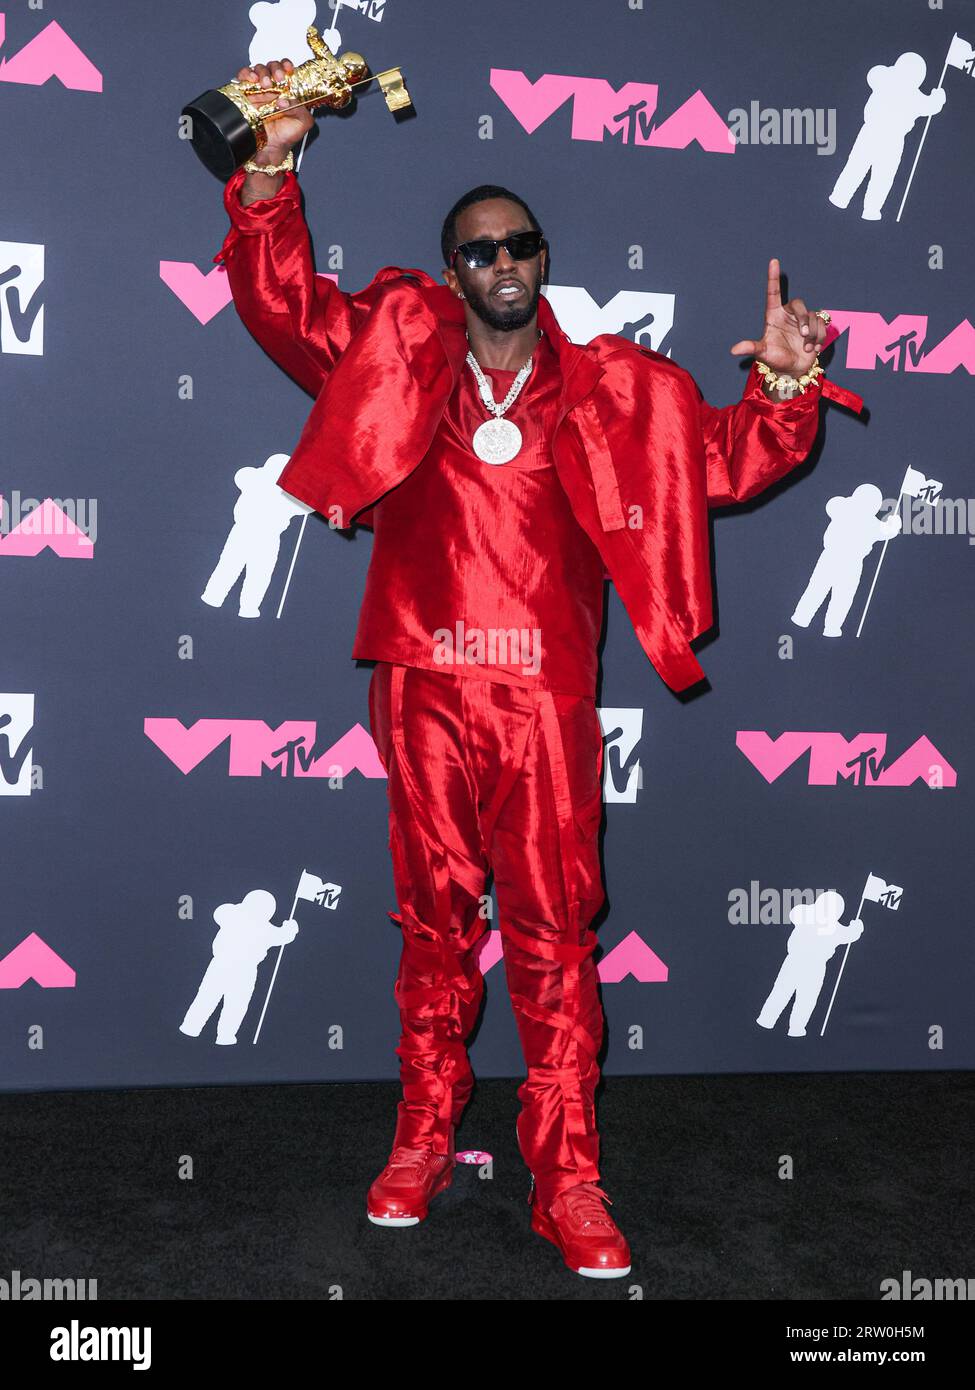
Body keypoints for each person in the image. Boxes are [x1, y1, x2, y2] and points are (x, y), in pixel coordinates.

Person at [210, 58, 864, 1279]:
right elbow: (284, 304)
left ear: (542, 258)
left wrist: (783, 382)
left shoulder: (617, 389)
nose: (500, 261)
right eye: (476, 249)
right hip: (420, 681)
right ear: (452, 268)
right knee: (433, 926)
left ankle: (566, 1175)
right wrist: (270, 164)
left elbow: (726, 462)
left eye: (519, 243)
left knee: (557, 938)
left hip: (545, 699)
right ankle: (420, 1140)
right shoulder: (399, 356)